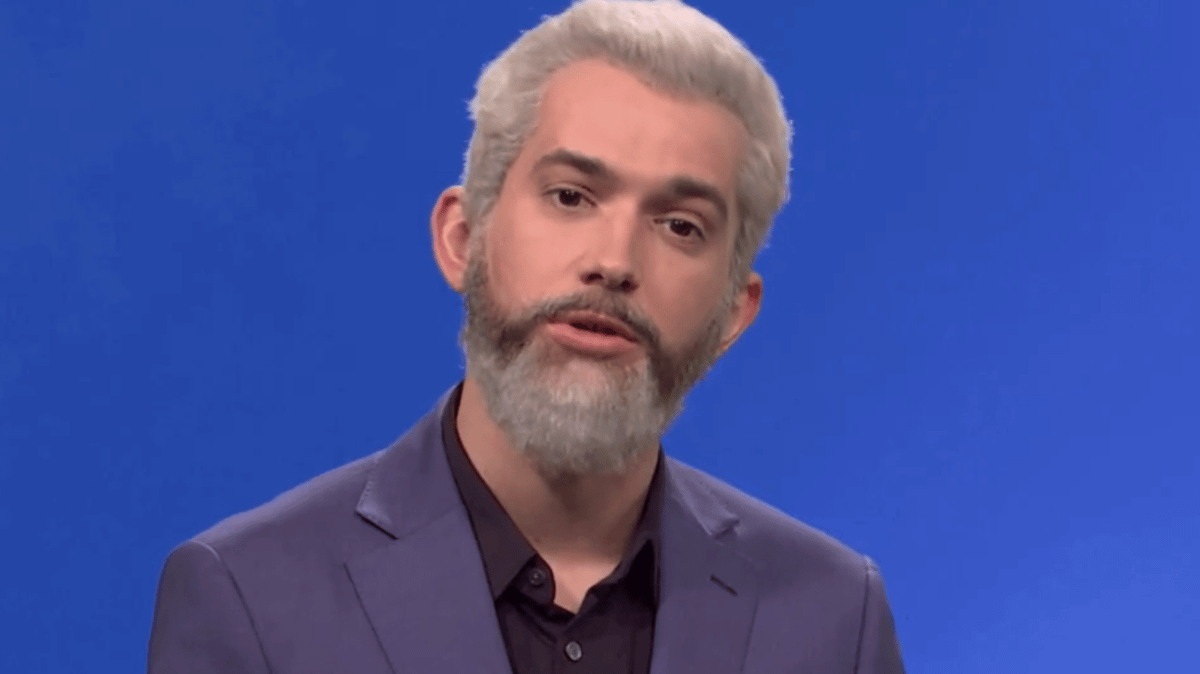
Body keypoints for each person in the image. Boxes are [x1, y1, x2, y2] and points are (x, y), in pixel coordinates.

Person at [147, 1, 906, 672]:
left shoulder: (836, 619)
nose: (614, 261)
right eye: (571, 196)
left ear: (733, 315)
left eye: (681, 226)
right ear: (463, 239)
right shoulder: (247, 597)